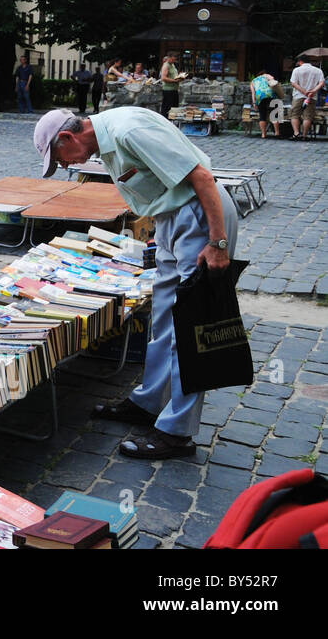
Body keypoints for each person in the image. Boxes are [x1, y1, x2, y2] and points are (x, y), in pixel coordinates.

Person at [34, 106, 239, 460]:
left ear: (67, 137)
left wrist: (217, 243)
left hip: (201, 215)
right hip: (174, 218)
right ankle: (149, 402)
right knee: (162, 321)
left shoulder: (127, 131)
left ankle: (177, 433)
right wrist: (161, 234)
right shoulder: (108, 139)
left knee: (189, 329)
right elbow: (156, 185)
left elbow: (202, 178)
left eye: (59, 158)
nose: (64, 166)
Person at [290, 55, 325, 140]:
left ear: (300, 61)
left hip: (298, 96)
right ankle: (304, 135)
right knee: (308, 116)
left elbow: (294, 83)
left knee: (294, 115)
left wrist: (303, 91)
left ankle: (296, 133)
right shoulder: (318, 71)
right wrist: (313, 91)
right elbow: (322, 83)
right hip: (311, 97)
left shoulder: (296, 70)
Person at [250, 71, 282, 139]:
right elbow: (272, 79)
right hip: (270, 94)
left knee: (262, 115)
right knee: (274, 114)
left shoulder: (253, 81)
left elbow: (253, 93)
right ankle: (277, 133)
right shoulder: (265, 75)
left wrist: (254, 103)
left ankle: (263, 134)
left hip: (260, 96)